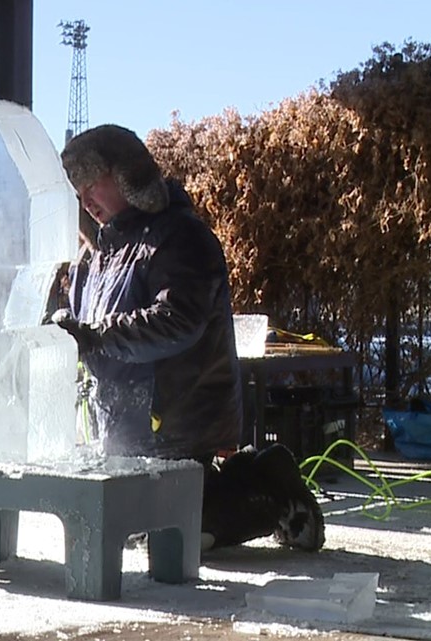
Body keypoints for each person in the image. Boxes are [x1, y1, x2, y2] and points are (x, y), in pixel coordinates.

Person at [49, 124, 324, 551]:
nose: (84, 199)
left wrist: (96, 337)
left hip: (179, 419)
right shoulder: (94, 258)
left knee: (172, 534)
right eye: (77, 190)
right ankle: (220, 491)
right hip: (124, 427)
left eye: (92, 183)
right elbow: (85, 328)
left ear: (126, 175)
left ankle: (270, 484)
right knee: (132, 530)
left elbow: (178, 320)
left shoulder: (180, 238)